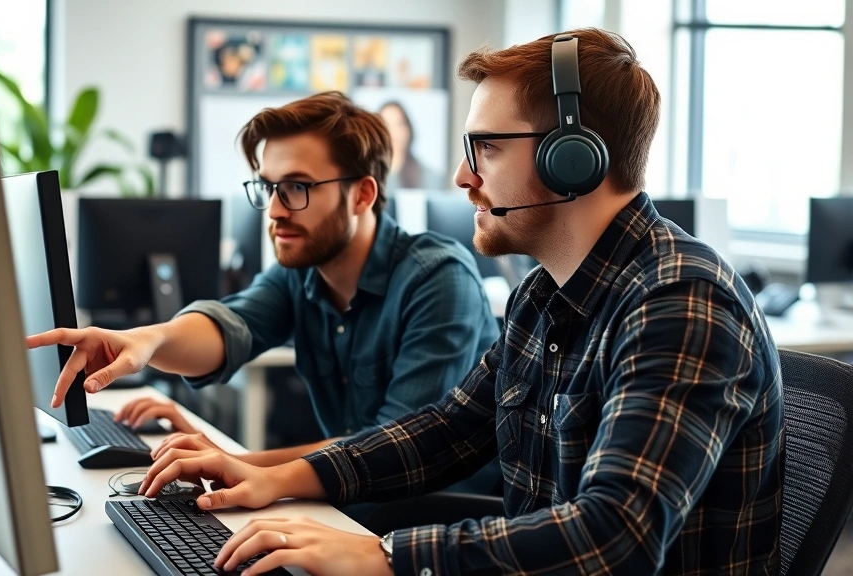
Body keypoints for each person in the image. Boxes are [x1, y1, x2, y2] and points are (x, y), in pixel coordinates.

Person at [124, 28, 784, 576]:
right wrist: (281, 478)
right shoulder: (543, 294)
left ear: (573, 160)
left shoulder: (679, 300)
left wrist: (384, 555)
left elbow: (616, 536)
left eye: (487, 148)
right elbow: (448, 430)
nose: (464, 176)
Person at [30, 91, 500, 493]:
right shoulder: (302, 271)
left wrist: (238, 463)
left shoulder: (438, 279)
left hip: (428, 521)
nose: (274, 210)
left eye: (296, 187)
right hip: (346, 500)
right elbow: (229, 326)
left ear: (362, 194)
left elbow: (394, 448)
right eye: (267, 187)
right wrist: (145, 342)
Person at [378, 101, 444, 190]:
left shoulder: (429, 177)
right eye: (385, 125)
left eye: (398, 124)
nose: (392, 132)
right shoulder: (365, 173)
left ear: (408, 131)